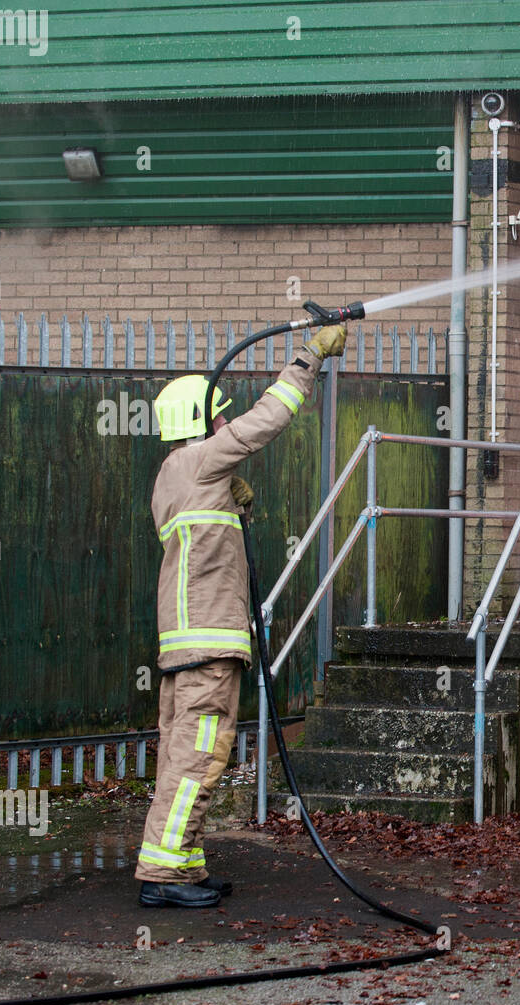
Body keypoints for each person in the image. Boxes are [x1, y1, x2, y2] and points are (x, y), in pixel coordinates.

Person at [135, 324, 347, 908]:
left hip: (186, 647)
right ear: (203, 425)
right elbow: (267, 419)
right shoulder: (201, 461)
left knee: (182, 756)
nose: (227, 423)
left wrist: (232, 501)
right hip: (207, 647)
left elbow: (206, 551)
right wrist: (310, 356)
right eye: (219, 417)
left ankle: (183, 861)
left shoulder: (171, 479)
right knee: (200, 756)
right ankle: (164, 876)